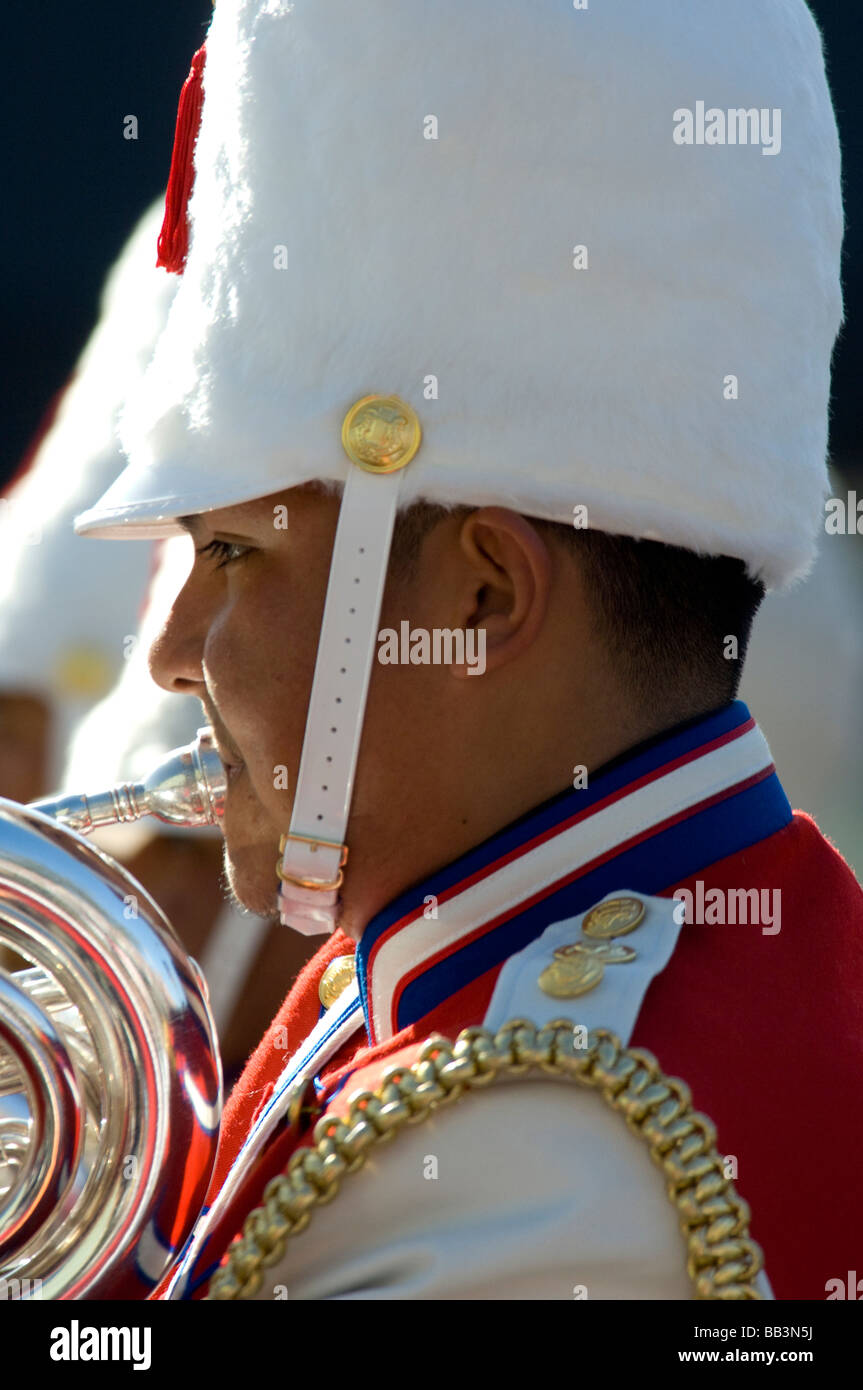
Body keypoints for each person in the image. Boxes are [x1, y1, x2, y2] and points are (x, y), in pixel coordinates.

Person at [74, 0, 859, 1301]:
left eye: (234, 553)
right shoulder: (452, 981)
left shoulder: (551, 1150)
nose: (167, 651)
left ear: (482, 599)